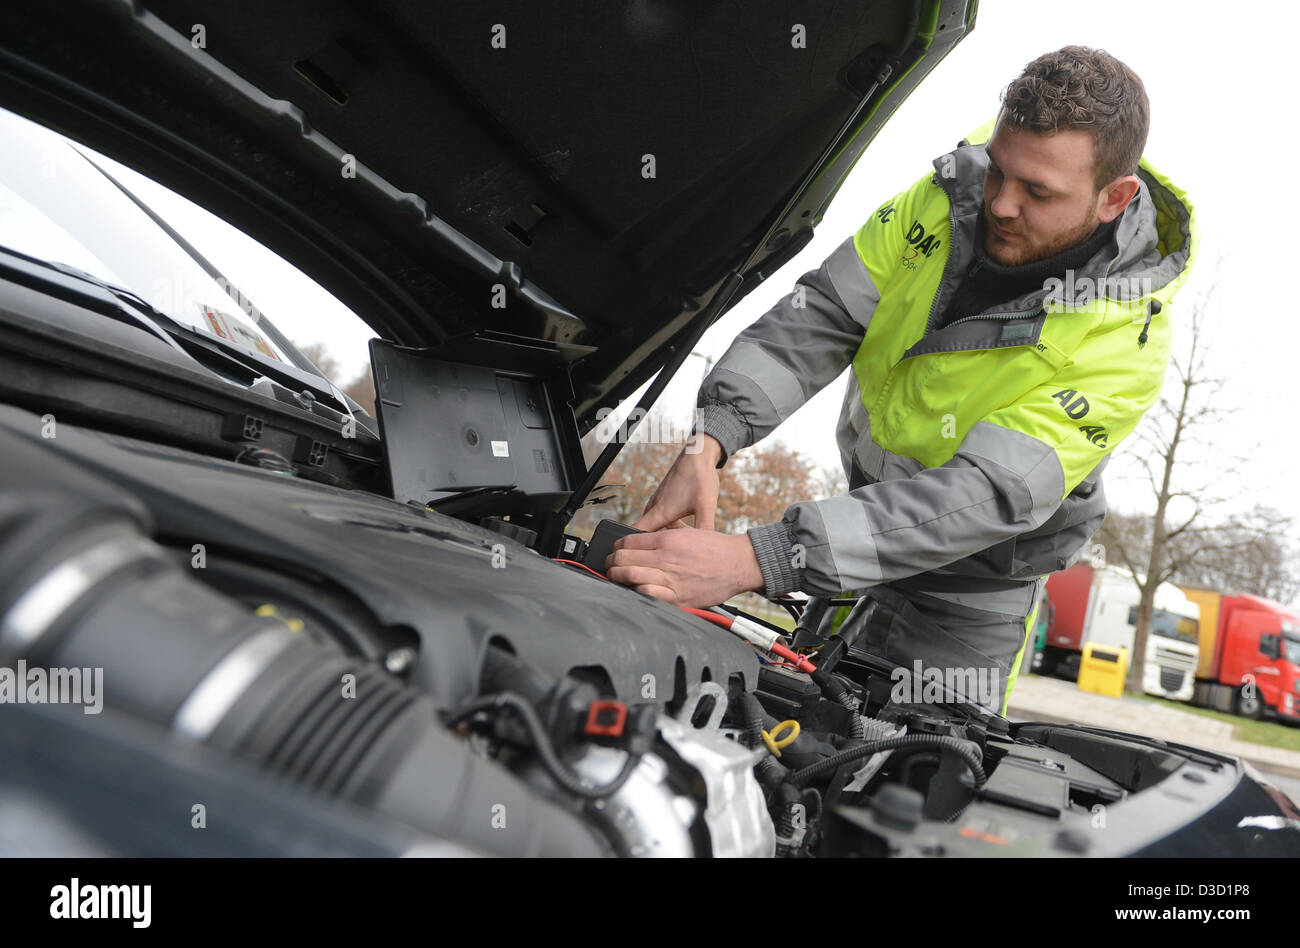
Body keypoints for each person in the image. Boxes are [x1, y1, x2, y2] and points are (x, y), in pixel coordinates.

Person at [604, 46, 1197, 713]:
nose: (1000, 203)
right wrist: (711, 438)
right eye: (1000, 171)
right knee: (792, 726)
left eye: (1038, 192)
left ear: (1114, 198)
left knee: (914, 781)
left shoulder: (1126, 341)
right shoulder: (943, 200)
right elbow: (822, 317)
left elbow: (985, 494)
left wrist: (760, 559)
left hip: (970, 595)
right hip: (855, 537)